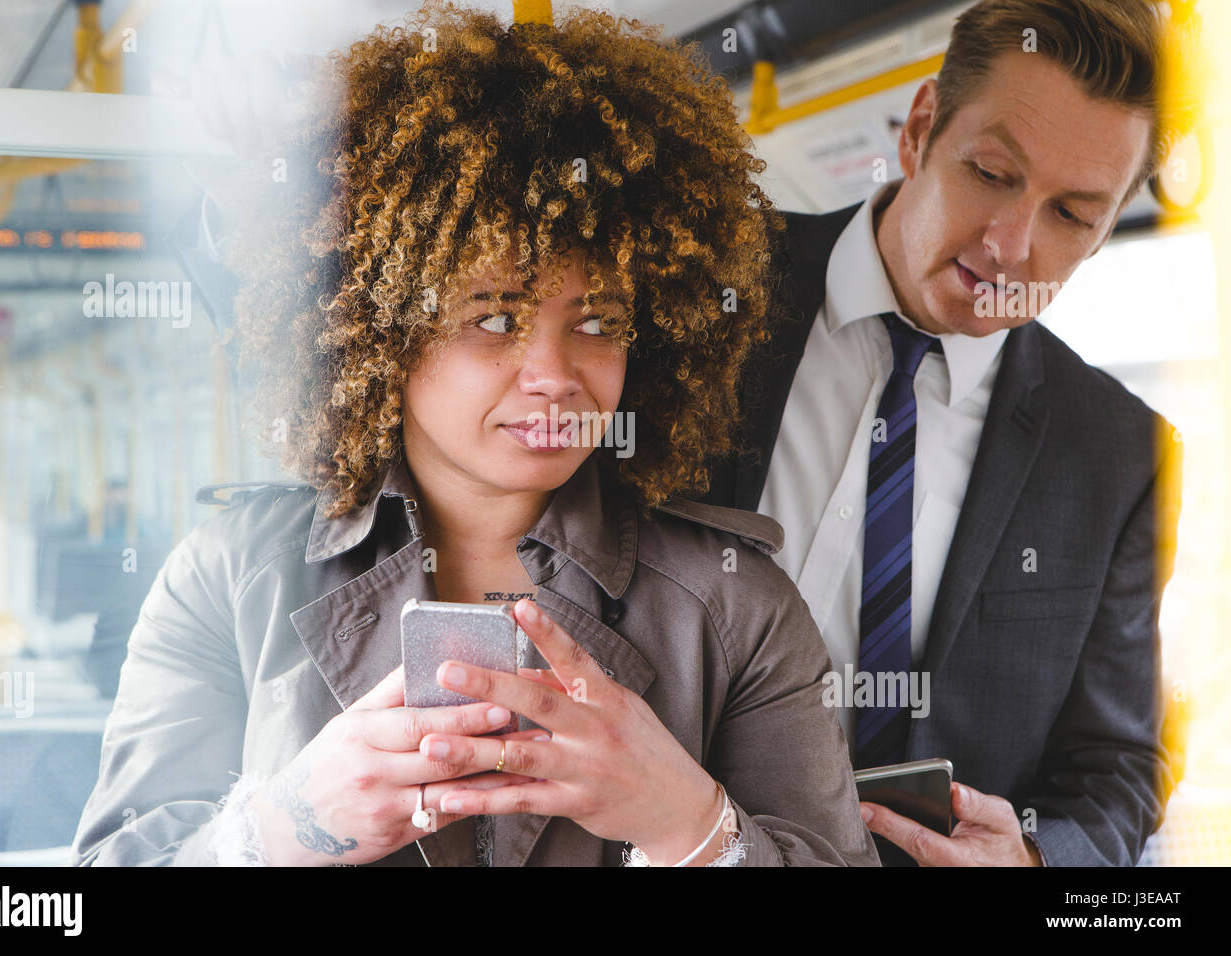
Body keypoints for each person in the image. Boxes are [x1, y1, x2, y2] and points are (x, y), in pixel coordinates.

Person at [70, 1, 879, 867]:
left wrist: (690, 826)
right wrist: (281, 829)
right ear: (379, 326)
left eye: (599, 320)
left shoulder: (737, 610)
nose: (554, 373)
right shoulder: (232, 580)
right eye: (494, 317)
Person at [698, 0, 1185, 866]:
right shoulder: (700, 288)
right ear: (921, 129)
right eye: (993, 173)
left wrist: (1037, 858)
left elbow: (1118, 763)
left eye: (1072, 215)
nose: (1010, 246)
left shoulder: (1120, 456)